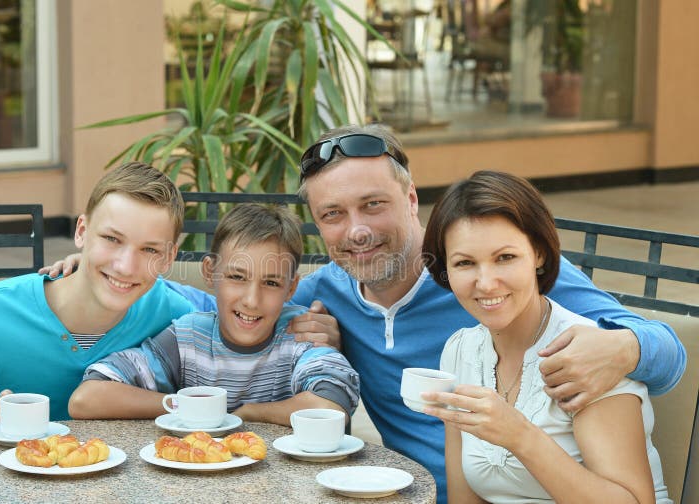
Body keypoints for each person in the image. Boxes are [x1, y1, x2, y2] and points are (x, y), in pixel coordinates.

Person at [40, 124, 685, 503]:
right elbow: (233, 302)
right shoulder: (327, 290)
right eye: (333, 215)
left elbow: (665, 347)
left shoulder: (491, 278)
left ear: (410, 199)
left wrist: (625, 348)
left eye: (373, 205)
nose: (356, 231)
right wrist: (115, 276)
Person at [420, 170, 670, 503]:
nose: (486, 282)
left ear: (538, 253)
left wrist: (520, 436)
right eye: (465, 263)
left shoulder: (587, 356)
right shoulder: (459, 350)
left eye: (505, 257)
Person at [0, 161, 194, 444]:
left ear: (168, 257)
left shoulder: (179, 318)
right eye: (111, 239)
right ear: (81, 231)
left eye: (149, 249)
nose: (126, 266)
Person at [68, 203, 359, 425]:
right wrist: (194, 407)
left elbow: (331, 406)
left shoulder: (300, 335)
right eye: (236, 277)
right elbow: (86, 399)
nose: (251, 300)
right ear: (210, 272)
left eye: (271, 283)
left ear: (291, 287)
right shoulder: (187, 339)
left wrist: (247, 414)